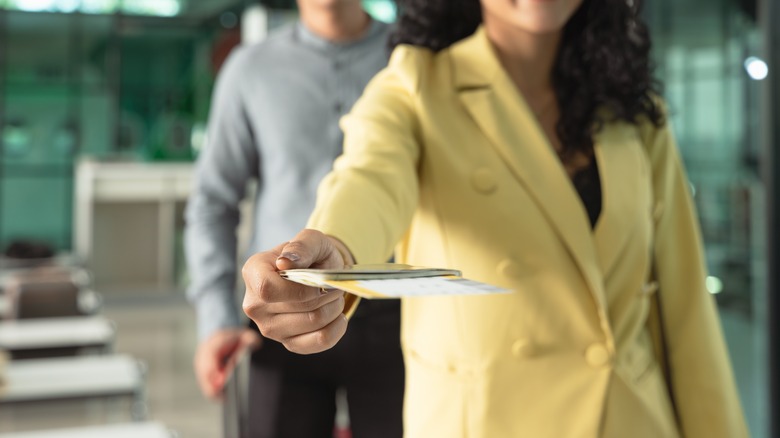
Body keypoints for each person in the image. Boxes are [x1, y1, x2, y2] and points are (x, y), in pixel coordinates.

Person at [241, 0, 751, 437]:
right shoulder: (418, 86)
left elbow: (687, 319)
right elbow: (369, 178)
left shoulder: (632, 112)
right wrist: (335, 252)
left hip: (631, 421)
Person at [184, 1, 404, 436]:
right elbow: (212, 202)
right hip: (281, 308)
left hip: (396, 314)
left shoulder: (410, 56)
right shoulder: (250, 69)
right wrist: (216, 320)